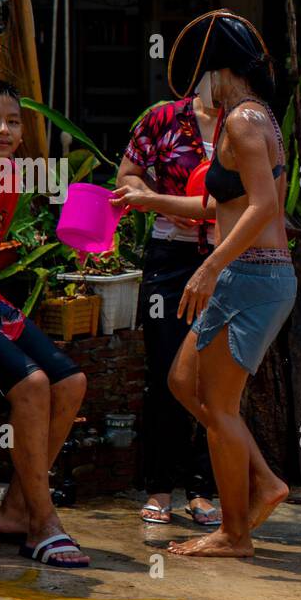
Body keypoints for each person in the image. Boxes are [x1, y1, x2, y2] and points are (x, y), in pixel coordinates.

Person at [112, 11, 294, 557]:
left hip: (251, 274)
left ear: (219, 71)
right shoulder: (255, 117)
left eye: (202, 76)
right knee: (182, 381)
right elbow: (219, 203)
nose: (198, 90)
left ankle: (234, 534)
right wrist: (148, 200)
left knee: (218, 407)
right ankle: (264, 480)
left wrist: (210, 267)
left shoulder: (242, 119)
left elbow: (264, 207)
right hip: (248, 272)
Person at [0, 80, 90, 567]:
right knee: (33, 385)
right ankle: (44, 523)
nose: (4, 130)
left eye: (13, 121)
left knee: (72, 382)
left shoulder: (11, 172)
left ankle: (15, 507)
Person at [117, 80, 221, 526]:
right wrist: (161, 203)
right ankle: (159, 486)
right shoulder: (162, 120)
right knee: (165, 370)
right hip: (171, 256)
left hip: (228, 255)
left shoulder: (248, 123)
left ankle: (204, 488)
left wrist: (164, 200)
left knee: (217, 373)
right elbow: (127, 177)